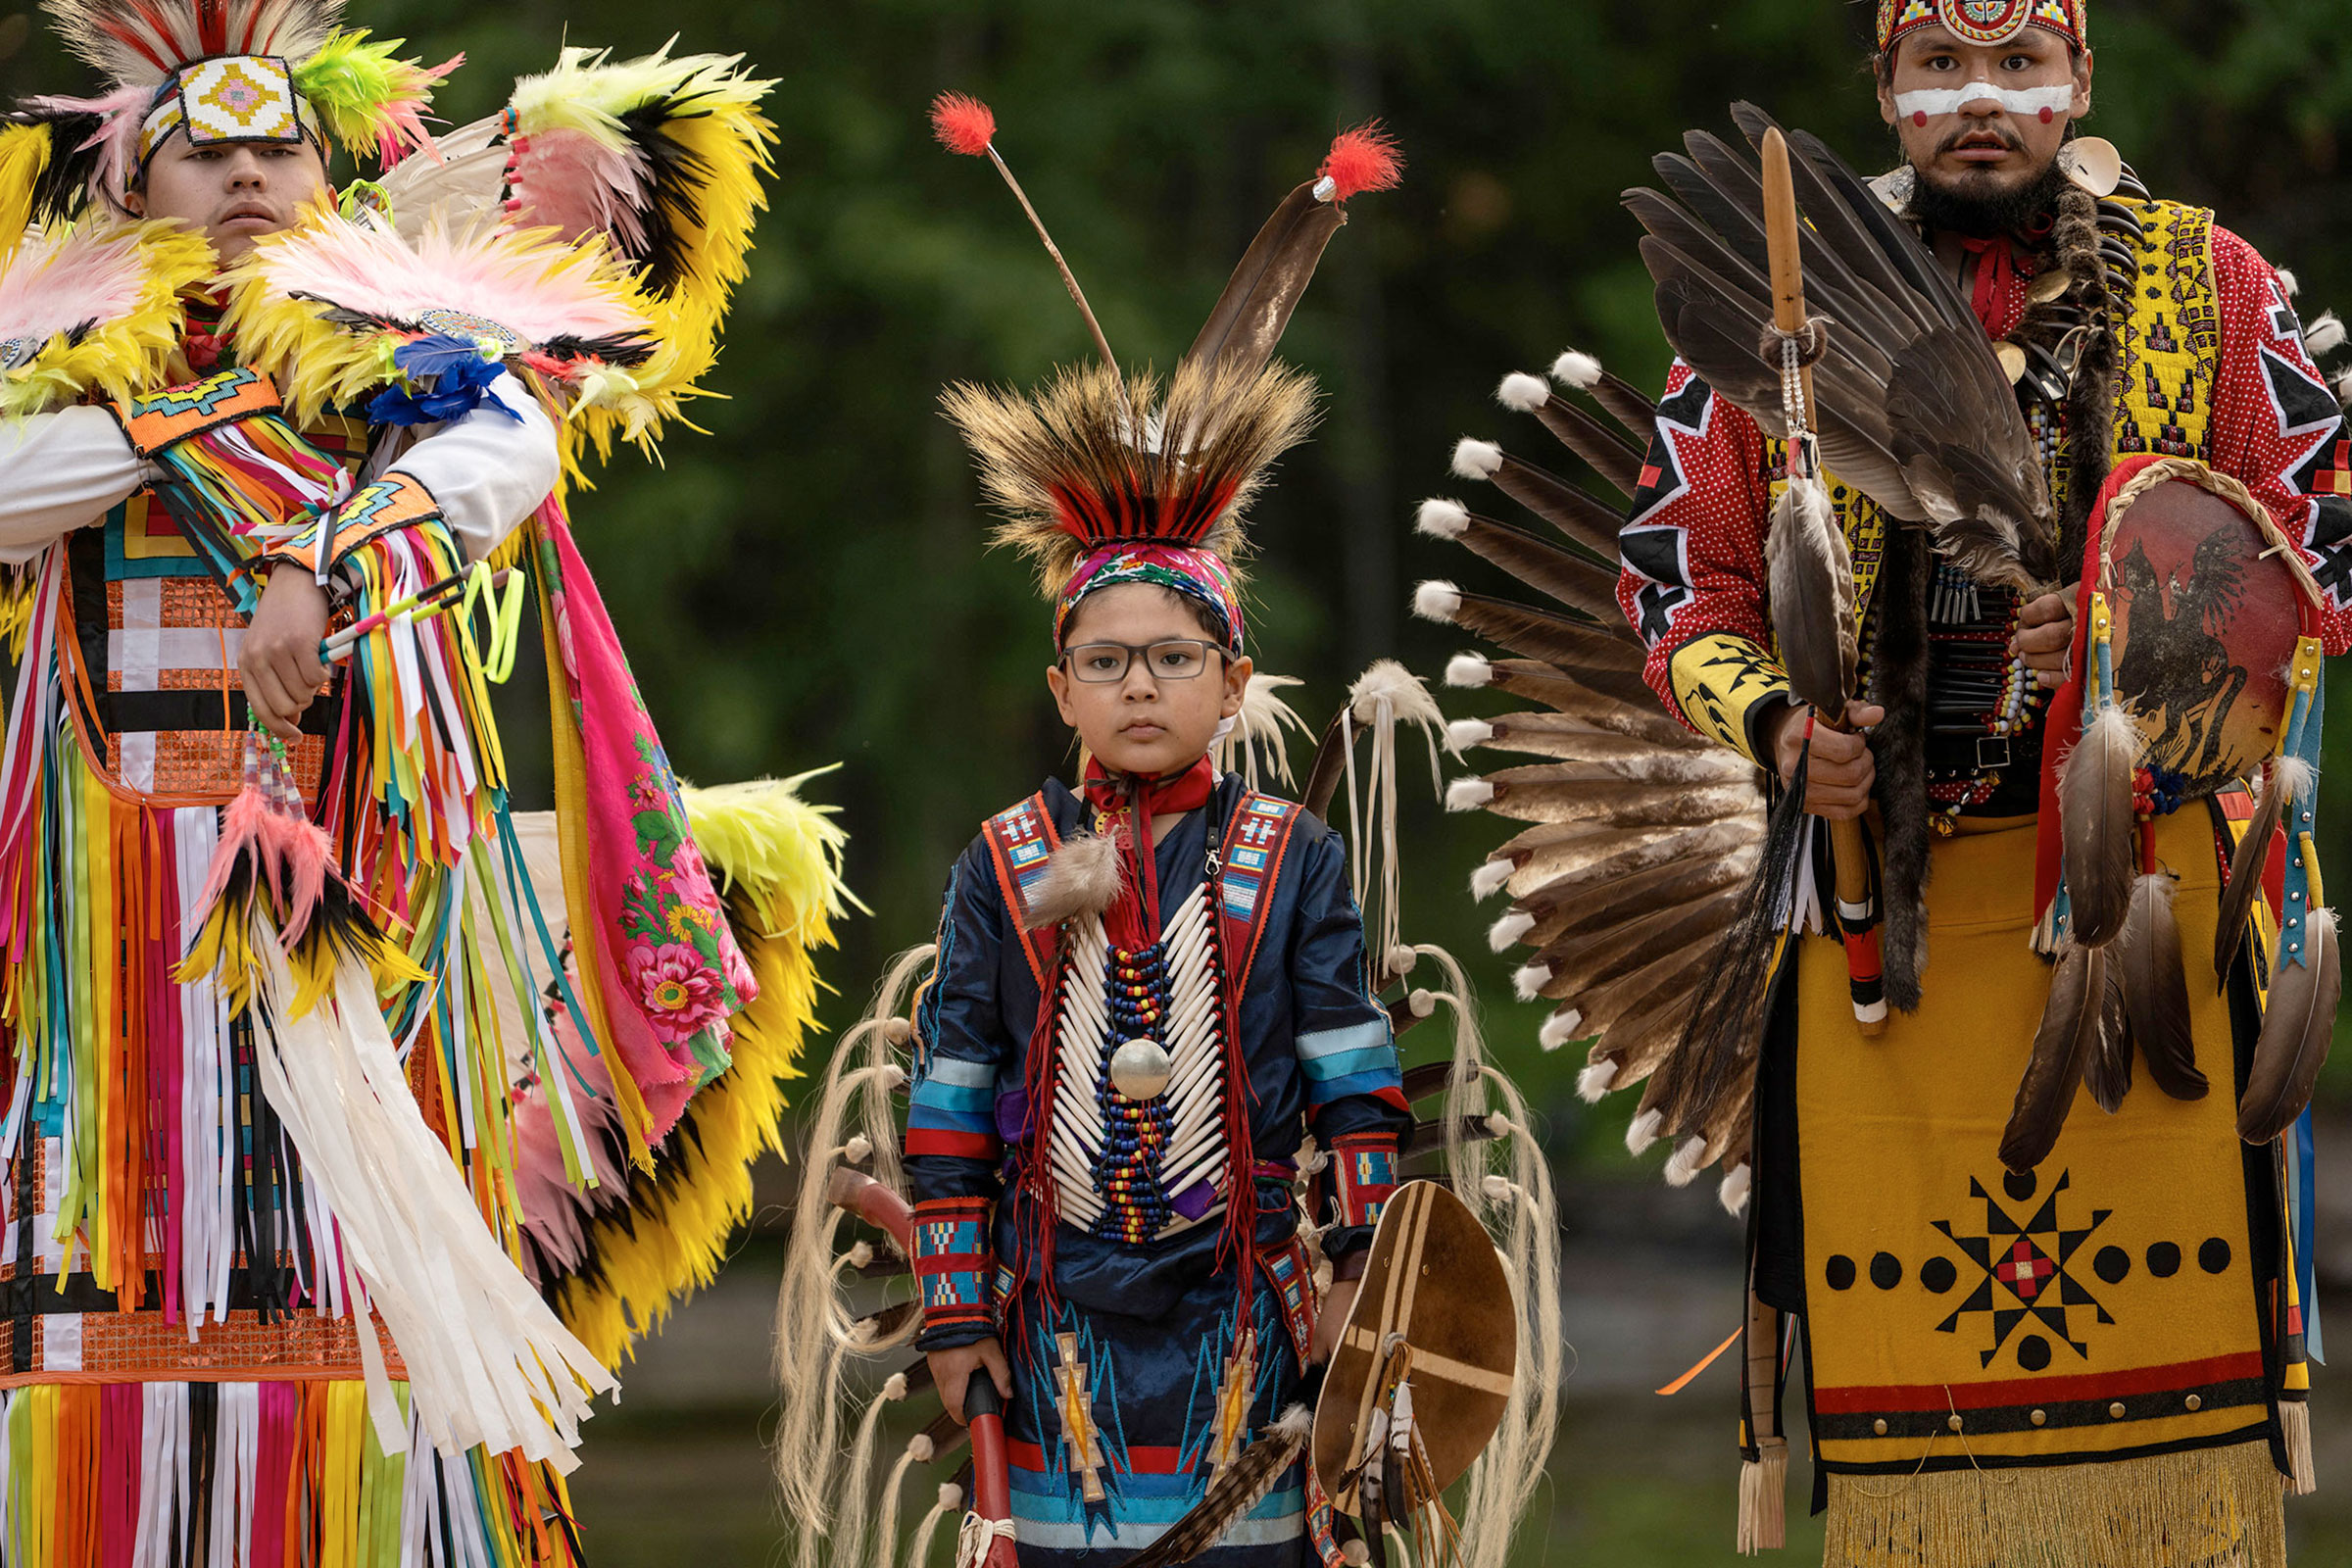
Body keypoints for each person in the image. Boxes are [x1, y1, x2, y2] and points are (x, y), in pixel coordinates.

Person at [0, 4, 840, 1559]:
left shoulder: (438, 346)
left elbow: (498, 462)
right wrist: (195, 410)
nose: (247, 174)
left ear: (330, 175)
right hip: (111, 922)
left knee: (374, 1261)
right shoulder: (46, 352)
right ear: (132, 187)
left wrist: (322, 558)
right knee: (103, 1253)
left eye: (278, 146)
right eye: (206, 150)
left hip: (370, 902)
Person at [1604, 0, 2352, 1559]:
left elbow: (2323, 544)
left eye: (2020, 68)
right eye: (1941, 70)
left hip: (2149, 896)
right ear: (1887, 95)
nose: (1981, 102)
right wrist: (1776, 731)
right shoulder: (1783, 305)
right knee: (1920, 1406)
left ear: (2081, 84)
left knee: (2177, 1409)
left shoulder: (2213, 288)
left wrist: (2121, 619)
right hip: (1889, 915)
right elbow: (1683, 583)